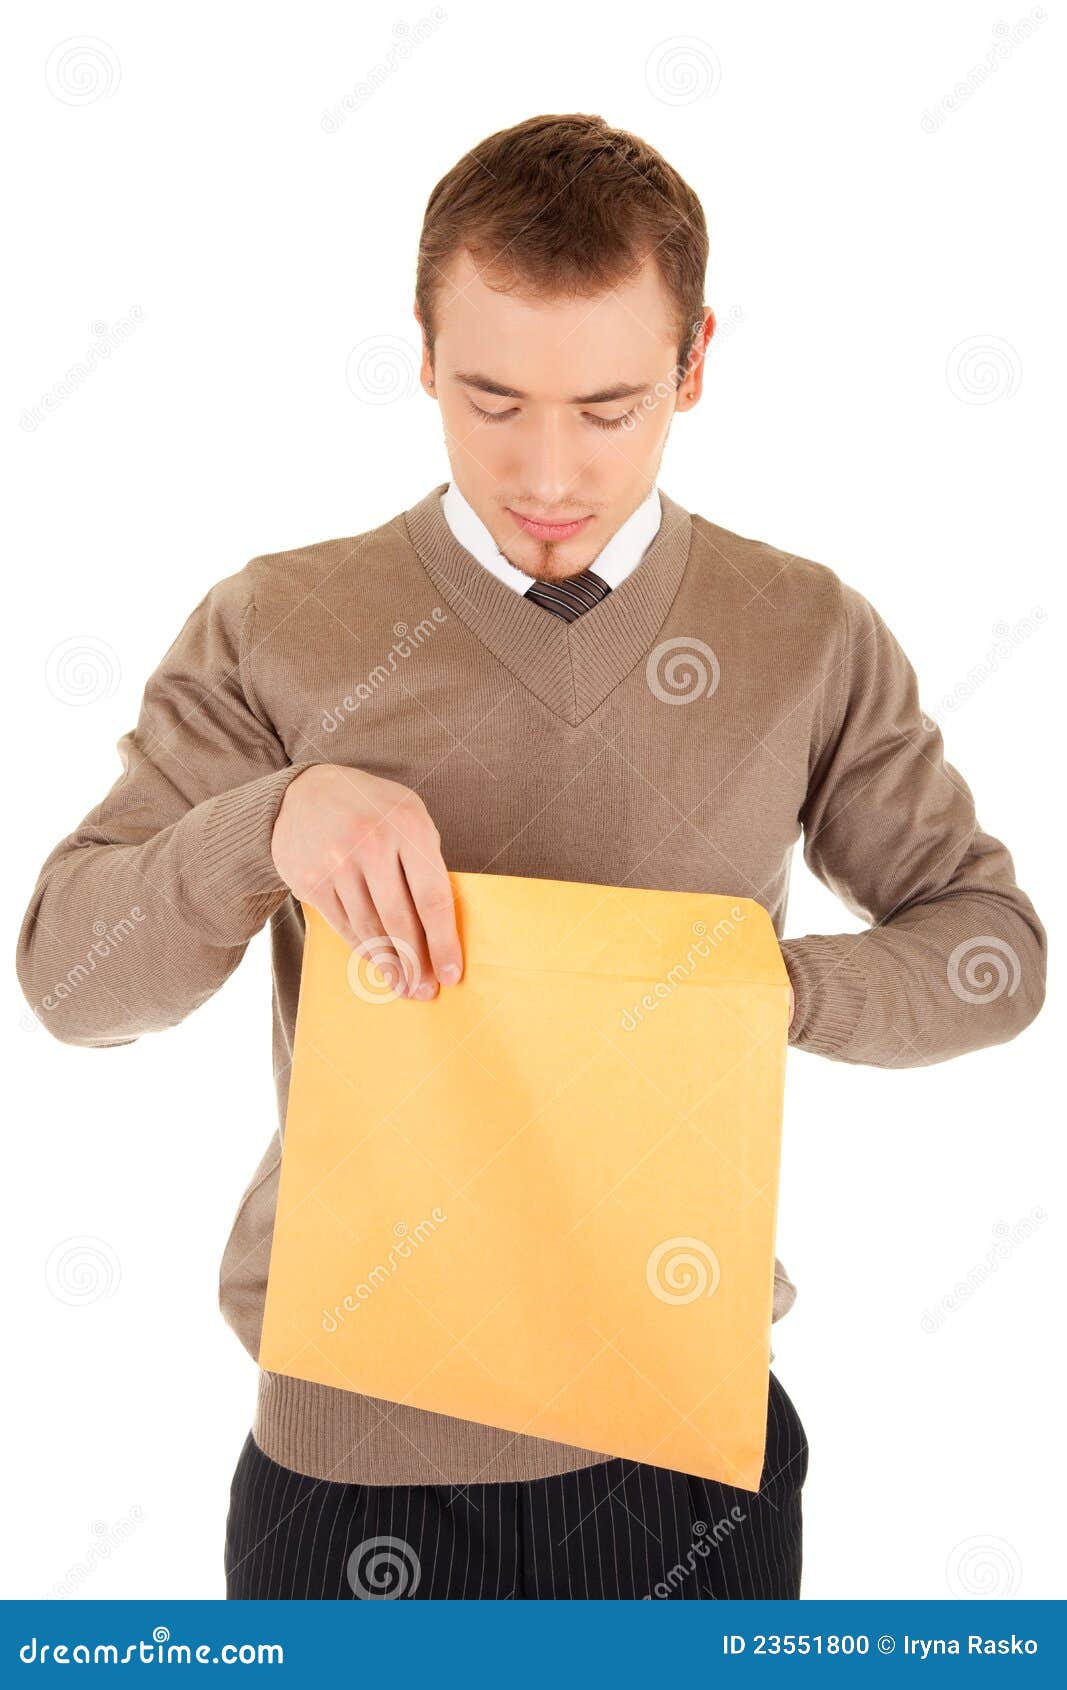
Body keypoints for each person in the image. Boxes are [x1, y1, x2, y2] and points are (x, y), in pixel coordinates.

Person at [16, 113, 1046, 1601]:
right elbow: (68, 978)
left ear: (695, 365)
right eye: (492, 398)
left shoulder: (802, 630)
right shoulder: (275, 623)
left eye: (611, 406)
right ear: (423, 356)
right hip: (346, 1468)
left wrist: (755, 986)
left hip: (687, 1456)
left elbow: (990, 953)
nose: (548, 471)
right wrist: (269, 823)